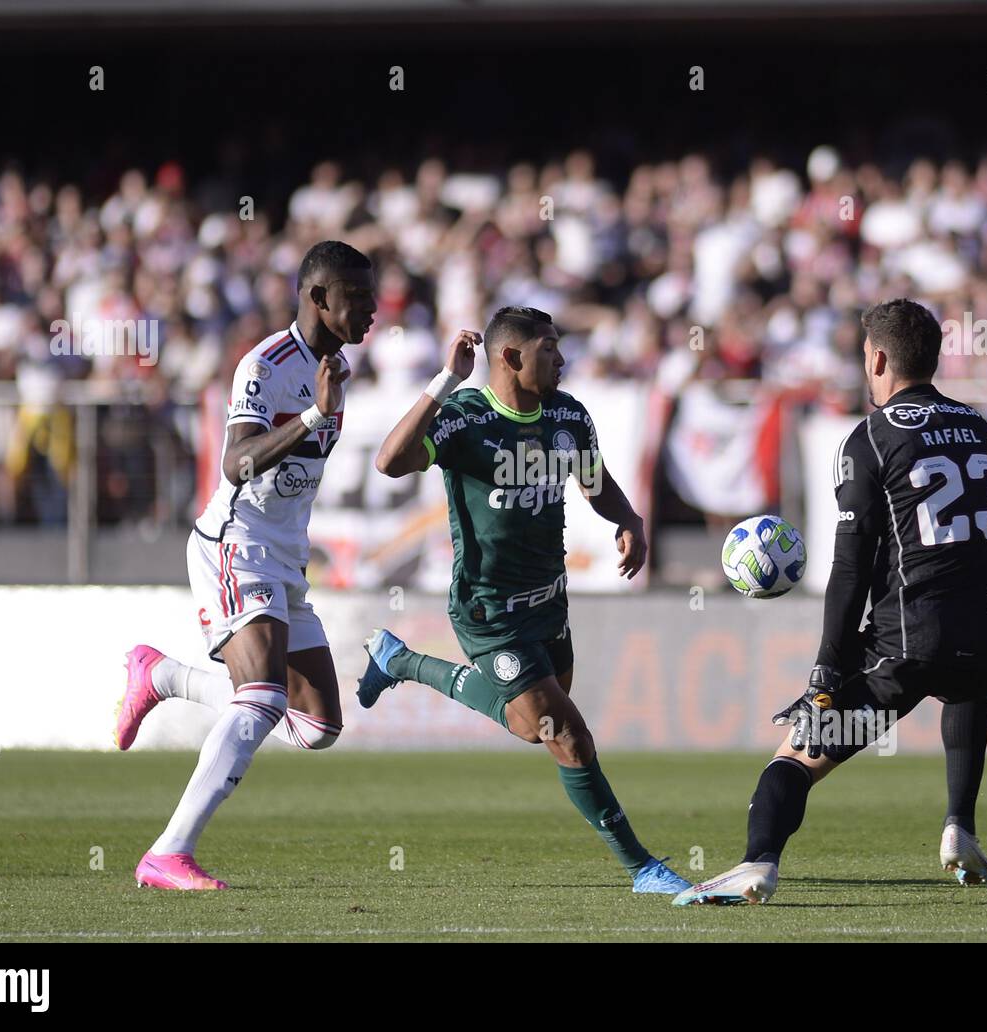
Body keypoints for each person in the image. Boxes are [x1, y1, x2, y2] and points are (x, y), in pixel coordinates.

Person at [675, 298, 987, 906]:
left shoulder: (871, 439)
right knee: (968, 676)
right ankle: (960, 825)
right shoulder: (978, 428)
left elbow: (849, 571)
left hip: (906, 649)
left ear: (877, 358)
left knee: (794, 759)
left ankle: (757, 863)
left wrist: (825, 668)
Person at [359, 305, 691, 895]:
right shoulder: (464, 419)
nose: (562, 360)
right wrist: (444, 382)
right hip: (489, 612)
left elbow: (596, 481)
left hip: (550, 604)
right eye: (549, 349)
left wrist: (629, 518)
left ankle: (400, 661)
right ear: (511, 357)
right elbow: (389, 462)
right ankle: (642, 867)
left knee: (528, 726)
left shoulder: (567, 414)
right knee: (566, 734)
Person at [115, 240, 375, 890]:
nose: (373, 311)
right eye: (359, 298)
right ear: (319, 298)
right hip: (237, 543)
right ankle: (167, 853)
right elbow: (236, 462)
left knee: (316, 726)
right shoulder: (267, 362)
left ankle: (166, 676)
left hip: (283, 558)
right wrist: (315, 412)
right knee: (261, 699)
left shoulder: (335, 365)